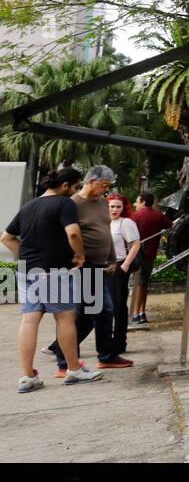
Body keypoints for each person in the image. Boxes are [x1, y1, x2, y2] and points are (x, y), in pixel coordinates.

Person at [2, 167, 102, 390]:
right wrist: (80, 255)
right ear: (65, 185)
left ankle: (28, 377)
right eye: (76, 186)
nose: (76, 191)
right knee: (65, 318)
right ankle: (74, 369)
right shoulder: (64, 203)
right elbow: (74, 233)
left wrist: (29, 255)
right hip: (53, 271)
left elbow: (6, 237)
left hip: (26, 270)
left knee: (29, 320)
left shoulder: (29, 206)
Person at [48, 165, 132, 371]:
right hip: (83, 267)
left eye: (108, 186)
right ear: (90, 181)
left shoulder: (103, 203)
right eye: (103, 185)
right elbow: (68, 235)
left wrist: (112, 259)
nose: (106, 190)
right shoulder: (72, 204)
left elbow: (105, 231)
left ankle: (101, 356)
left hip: (99, 266)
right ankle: (72, 360)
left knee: (94, 313)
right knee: (93, 311)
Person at [130, 191, 171, 323]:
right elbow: (171, 225)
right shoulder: (158, 216)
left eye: (137, 201)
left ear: (143, 202)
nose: (135, 204)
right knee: (144, 284)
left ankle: (136, 314)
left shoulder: (135, 216)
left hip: (137, 255)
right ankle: (142, 312)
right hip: (150, 255)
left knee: (138, 284)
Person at [106, 194, 140, 357]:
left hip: (118, 266)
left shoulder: (126, 223)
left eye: (118, 206)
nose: (114, 209)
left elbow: (135, 244)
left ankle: (119, 343)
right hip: (101, 267)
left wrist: (125, 265)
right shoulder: (103, 222)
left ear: (123, 207)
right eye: (112, 206)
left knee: (118, 306)